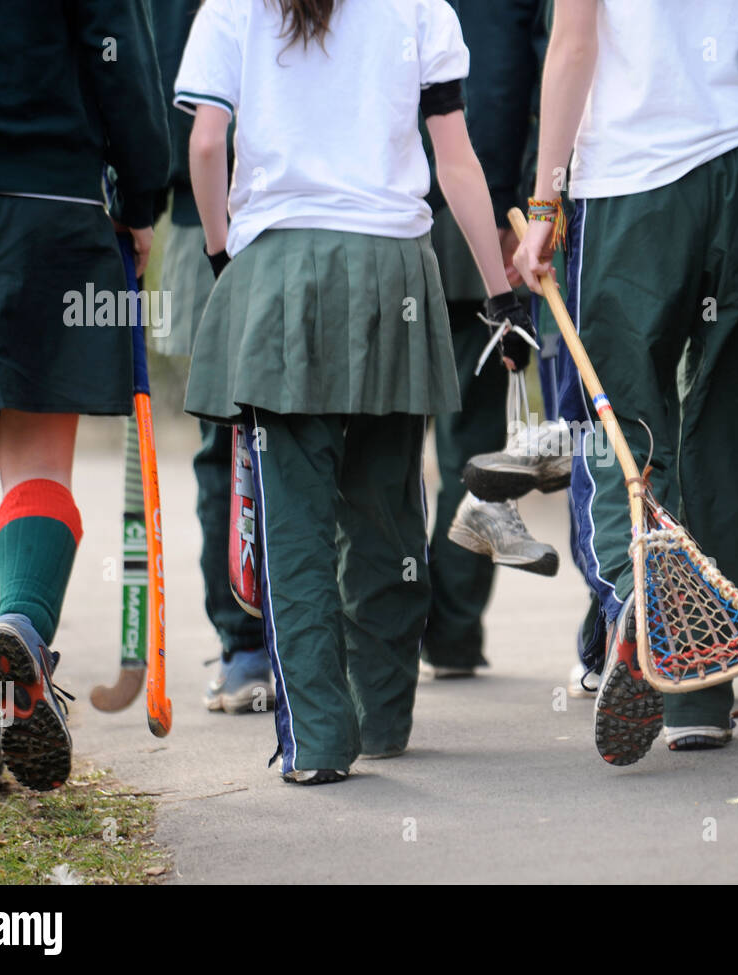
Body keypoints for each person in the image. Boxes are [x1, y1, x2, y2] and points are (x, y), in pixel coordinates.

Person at [176, 0, 536, 784]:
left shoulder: (232, 8)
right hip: (393, 273)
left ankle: (317, 742)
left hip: (279, 270)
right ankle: (382, 715)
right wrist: (499, 294)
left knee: (295, 525)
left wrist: (220, 253)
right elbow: (458, 162)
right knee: (385, 510)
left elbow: (207, 142)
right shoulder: (422, 9)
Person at [516, 0, 738, 764]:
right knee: (727, 423)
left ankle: (640, 610)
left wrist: (543, 201)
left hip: (636, 174)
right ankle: (704, 691)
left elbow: (572, 42)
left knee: (620, 425)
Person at [0, 1, 169, 789]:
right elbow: (115, 44)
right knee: (36, 462)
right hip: (49, 202)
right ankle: (21, 621)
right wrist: (144, 191)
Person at [423, 0, 560, 681]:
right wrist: (525, 202)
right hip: (476, 212)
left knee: (373, 445)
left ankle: (385, 632)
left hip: (377, 205)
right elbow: (530, 70)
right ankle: (448, 629)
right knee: (472, 441)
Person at [148, 0, 272, 711]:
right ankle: (250, 640)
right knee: (234, 443)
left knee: (237, 444)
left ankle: (261, 644)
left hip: (249, 210)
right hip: (216, 209)